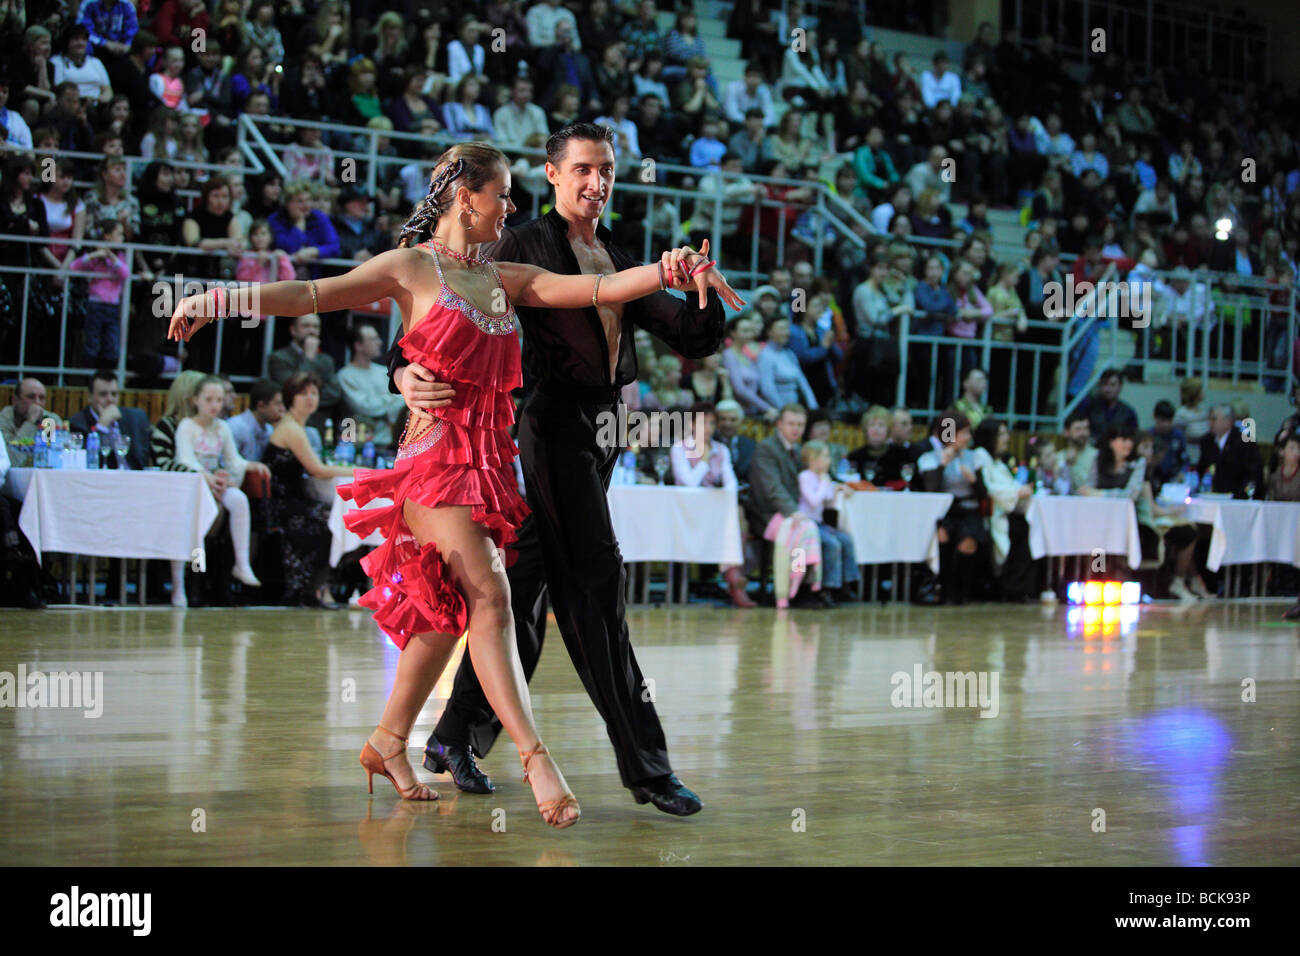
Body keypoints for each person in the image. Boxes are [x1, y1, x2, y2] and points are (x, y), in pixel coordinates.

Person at [171, 138, 741, 824]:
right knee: (494, 596)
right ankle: (538, 758)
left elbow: (598, 290)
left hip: (492, 464)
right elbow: (311, 293)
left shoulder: (507, 277)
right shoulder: (413, 265)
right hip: (435, 460)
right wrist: (217, 299)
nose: (511, 207)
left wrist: (667, 268)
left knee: (445, 616)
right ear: (466, 196)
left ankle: (392, 741)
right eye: (501, 195)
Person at [264, 371, 354, 607]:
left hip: (294, 499)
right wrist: (359, 471)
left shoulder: (300, 427)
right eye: (302, 393)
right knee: (331, 521)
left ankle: (318, 588)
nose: (309, 398)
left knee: (337, 518)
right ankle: (311, 589)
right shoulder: (291, 428)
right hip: (281, 504)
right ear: (290, 398)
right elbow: (318, 470)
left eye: (313, 393)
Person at [174, 375, 268, 589]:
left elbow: (233, 460)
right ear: (195, 400)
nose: (214, 405)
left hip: (215, 483)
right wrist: (209, 478)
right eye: (208, 399)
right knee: (204, 516)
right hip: (192, 486)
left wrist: (247, 468)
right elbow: (186, 461)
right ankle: (187, 582)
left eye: (218, 400)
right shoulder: (187, 426)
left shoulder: (222, 427)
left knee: (239, 500)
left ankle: (242, 564)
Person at [669, 401, 754, 607]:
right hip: (686, 512)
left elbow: (731, 483)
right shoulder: (681, 448)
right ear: (691, 425)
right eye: (703, 422)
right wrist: (705, 459)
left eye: (712, 423)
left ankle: (734, 578)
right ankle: (734, 579)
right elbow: (690, 482)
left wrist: (724, 493)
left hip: (713, 509)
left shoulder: (721, 449)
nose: (708, 428)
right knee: (735, 518)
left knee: (737, 514)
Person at [750, 403, 827, 609]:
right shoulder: (767, 448)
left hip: (790, 513)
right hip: (767, 515)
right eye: (791, 423)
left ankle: (808, 586)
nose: (796, 429)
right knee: (802, 531)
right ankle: (797, 587)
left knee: (813, 532)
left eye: (801, 424)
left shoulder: (798, 450)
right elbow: (772, 488)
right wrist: (793, 512)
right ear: (779, 424)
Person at [918, 410, 988, 604]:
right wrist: (941, 465)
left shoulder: (974, 458)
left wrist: (974, 481)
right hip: (945, 511)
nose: (968, 437)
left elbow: (983, 494)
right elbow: (931, 490)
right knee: (942, 536)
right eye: (963, 433)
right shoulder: (931, 458)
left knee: (967, 543)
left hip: (968, 509)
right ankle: (943, 589)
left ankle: (961, 592)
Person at [797, 440, 860, 602]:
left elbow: (829, 502)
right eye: (825, 456)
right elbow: (814, 501)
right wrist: (826, 484)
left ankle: (847, 583)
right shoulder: (805, 477)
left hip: (819, 523)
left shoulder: (822, 478)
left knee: (846, 539)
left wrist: (839, 490)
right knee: (832, 544)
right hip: (806, 524)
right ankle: (828, 587)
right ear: (813, 459)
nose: (829, 460)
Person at [266, 313, 342, 428]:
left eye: (316, 327)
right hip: (290, 425)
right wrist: (309, 358)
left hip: (320, 425)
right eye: (306, 326)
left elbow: (334, 394)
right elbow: (293, 392)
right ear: (293, 330)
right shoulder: (279, 358)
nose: (312, 331)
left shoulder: (326, 360)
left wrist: (305, 399)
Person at [339, 323, 406, 447]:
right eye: (373, 339)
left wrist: (383, 403)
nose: (379, 342)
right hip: (356, 444)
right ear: (358, 345)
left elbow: (402, 400)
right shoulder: (346, 375)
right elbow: (365, 408)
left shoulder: (383, 372)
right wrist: (388, 400)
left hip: (386, 441)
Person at [67, 370, 150, 470]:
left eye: (114, 394)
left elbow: (141, 461)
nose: (110, 399)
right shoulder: (78, 423)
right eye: (103, 394)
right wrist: (102, 425)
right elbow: (86, 464)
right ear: (90, 397)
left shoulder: (134, 418)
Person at [1197, 403, 1263, 498]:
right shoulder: (1206, 441)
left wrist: (1242, 495)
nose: (1210, 423)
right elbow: (1202, 469)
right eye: (1209, 419)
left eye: (1214, 419)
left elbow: (1253, 475)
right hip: (1212, 495)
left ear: (1228, 421)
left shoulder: (1245, 442)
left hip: (1238, 496)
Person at [227, 378, 283, 462]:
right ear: (261, 406)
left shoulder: (270, 430)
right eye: (277, 404)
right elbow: (226, 463)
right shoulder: (235, 426)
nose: (282, 409)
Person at [847, 405, 908, 484]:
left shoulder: (901, 455)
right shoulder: (855, 456)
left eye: (881, 425)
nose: (876, 429)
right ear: (866, 429)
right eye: (872, 425)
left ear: (888, 430)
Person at [0, 377, 63, 444]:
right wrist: (30, 422)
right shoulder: (3, 419)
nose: (37, 402)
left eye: (41, 398)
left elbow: (57, 449)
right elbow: (11, 453)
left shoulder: (52, 419)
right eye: (31, 397)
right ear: (15, 400)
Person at [1062, 410, 1098, 491]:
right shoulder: (1058, 457)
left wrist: (1072, 465)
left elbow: (1089, 488)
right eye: (1078, 429)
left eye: (1086, 428)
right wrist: (1067, 465)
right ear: (1066, 432)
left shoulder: (1097, 455)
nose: (1083, 433)